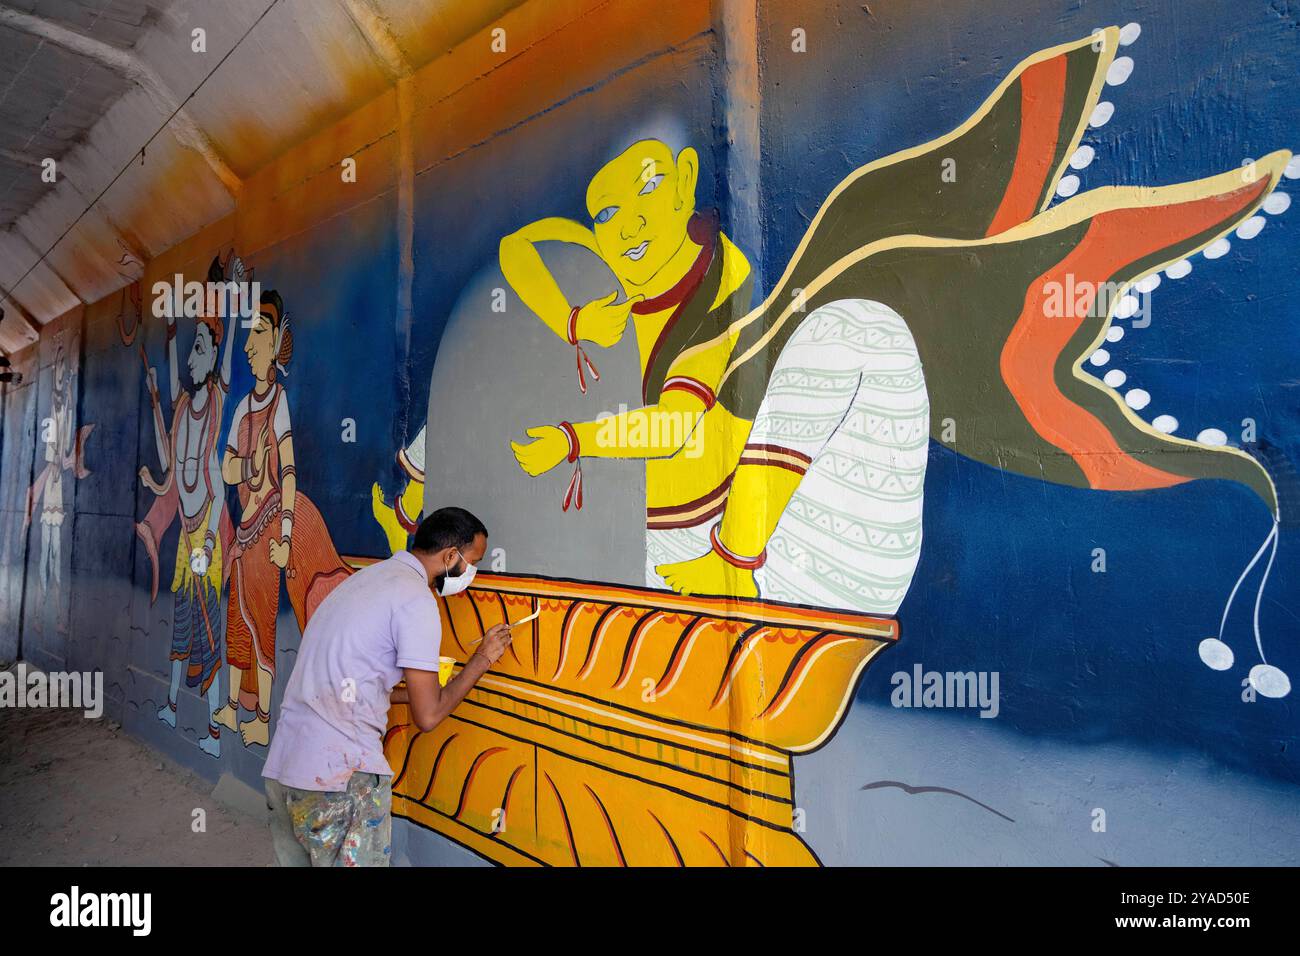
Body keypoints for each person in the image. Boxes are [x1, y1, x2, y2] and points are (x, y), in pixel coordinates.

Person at [262, 506, 513, 867]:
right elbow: (428, 715)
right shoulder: (415, 598)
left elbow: (361, 682)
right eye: (472, 562)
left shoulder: (366, 580)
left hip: (286, 770)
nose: (471, 574)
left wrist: (415, 690)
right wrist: (482, 659)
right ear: (449, 556)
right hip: (341, 782)